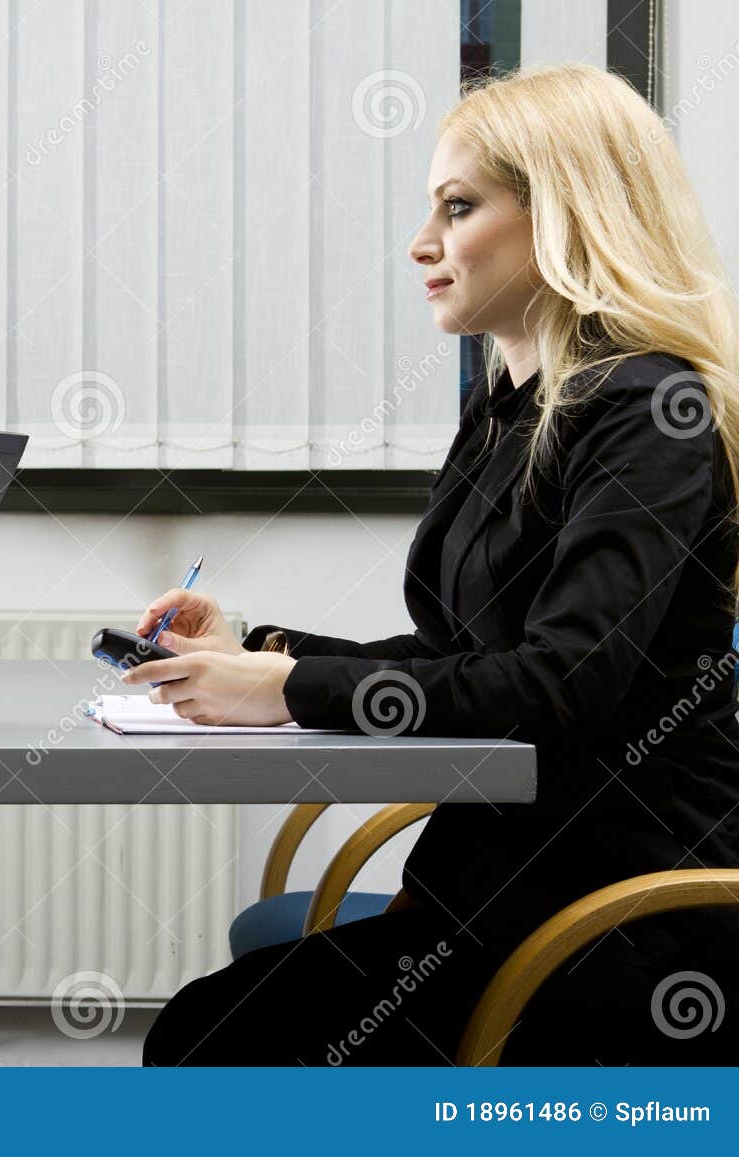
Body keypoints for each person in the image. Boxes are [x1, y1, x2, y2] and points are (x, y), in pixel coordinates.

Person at [132, 65, 739, 1065]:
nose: (421, 244)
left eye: (458, 208)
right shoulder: (513, 405)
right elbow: (459, 650)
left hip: (619, 923)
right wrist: (262, 650)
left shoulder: (644, 414)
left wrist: (288, 690)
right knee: (214, 1020)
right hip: (508, 886)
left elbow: (557, 684)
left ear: (565, 216)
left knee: (213, 1036)